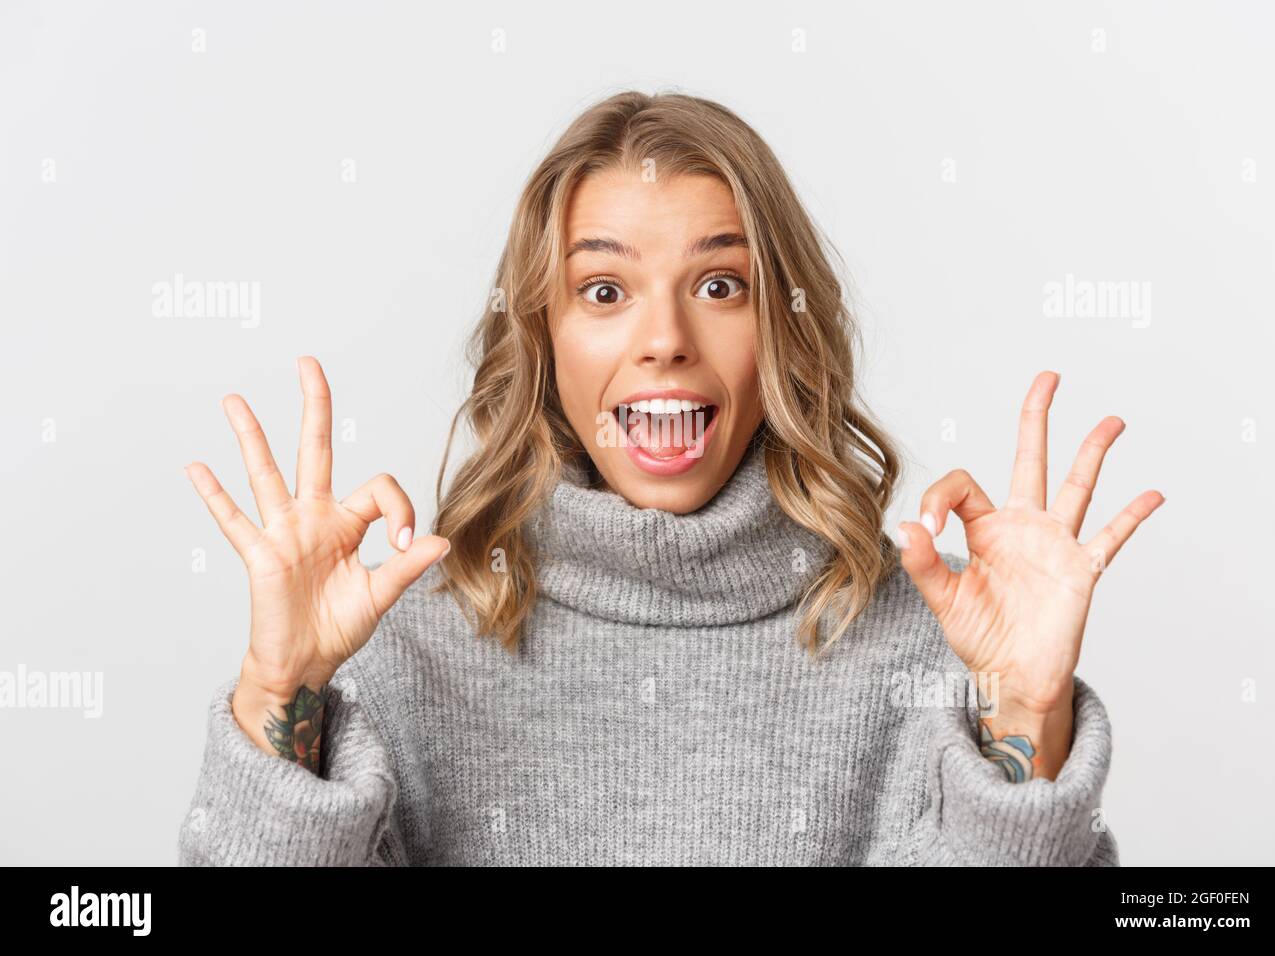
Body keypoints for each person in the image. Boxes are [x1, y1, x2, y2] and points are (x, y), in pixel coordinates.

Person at [177, 91, 1162, 865]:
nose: (664, 340)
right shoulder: (403, 642)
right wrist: (285, 687)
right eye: (604, 290)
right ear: (542, 335)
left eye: (719, 285)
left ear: (782, 326)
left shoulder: (938, 639)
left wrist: (1025, 710)